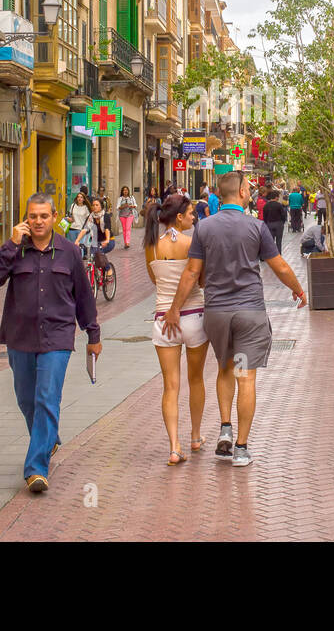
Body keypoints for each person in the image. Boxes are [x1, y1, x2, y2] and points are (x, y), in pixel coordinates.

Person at [165, 171, 306, 468]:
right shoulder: (256, 226)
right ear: (243, 191)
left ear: (220, 193)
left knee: (225, 369)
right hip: (249, 314)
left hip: (217, 313)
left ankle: (225, 428)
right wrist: (298, 289)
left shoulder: (205, 228)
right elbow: (278, 264)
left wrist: (175, 307)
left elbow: (192, 272)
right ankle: (240, 448)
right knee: (246, 376)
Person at [0, 192, 101, 494]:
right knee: (27, 400)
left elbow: (84, 296)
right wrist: (10, 245)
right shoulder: (16, 250)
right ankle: (49, 439)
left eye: (44, 216)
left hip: (58, 336)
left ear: (54, 217)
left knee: (47, 398)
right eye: (33, 216)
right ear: (26, 217)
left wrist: (93, 334)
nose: (38, 221)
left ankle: (36, 469)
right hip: (19, 336)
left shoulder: (68, 252)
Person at [144, 194, 210, 466]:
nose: (194, 218)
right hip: (193, 317)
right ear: (180, 217)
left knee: (170, 386)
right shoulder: (192, 243)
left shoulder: (152, 246)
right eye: (191, 213)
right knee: (196, 380)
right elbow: (202, 279)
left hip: (163, 320)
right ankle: (195, 436)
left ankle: (174, 446)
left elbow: (154, 280)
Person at [76, 199, 114, 271]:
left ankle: (108, 270)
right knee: (92, 255)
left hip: (109, 241)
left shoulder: (105, 216)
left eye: (97, 205)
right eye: (93, 205)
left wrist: (107, 240)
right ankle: (95, 274)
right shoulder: (91, 217)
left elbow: (107, 229)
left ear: (101, 206)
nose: (94, 207)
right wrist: (77, 240)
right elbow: (85, 229)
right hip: (96, 242)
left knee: (99, 252)